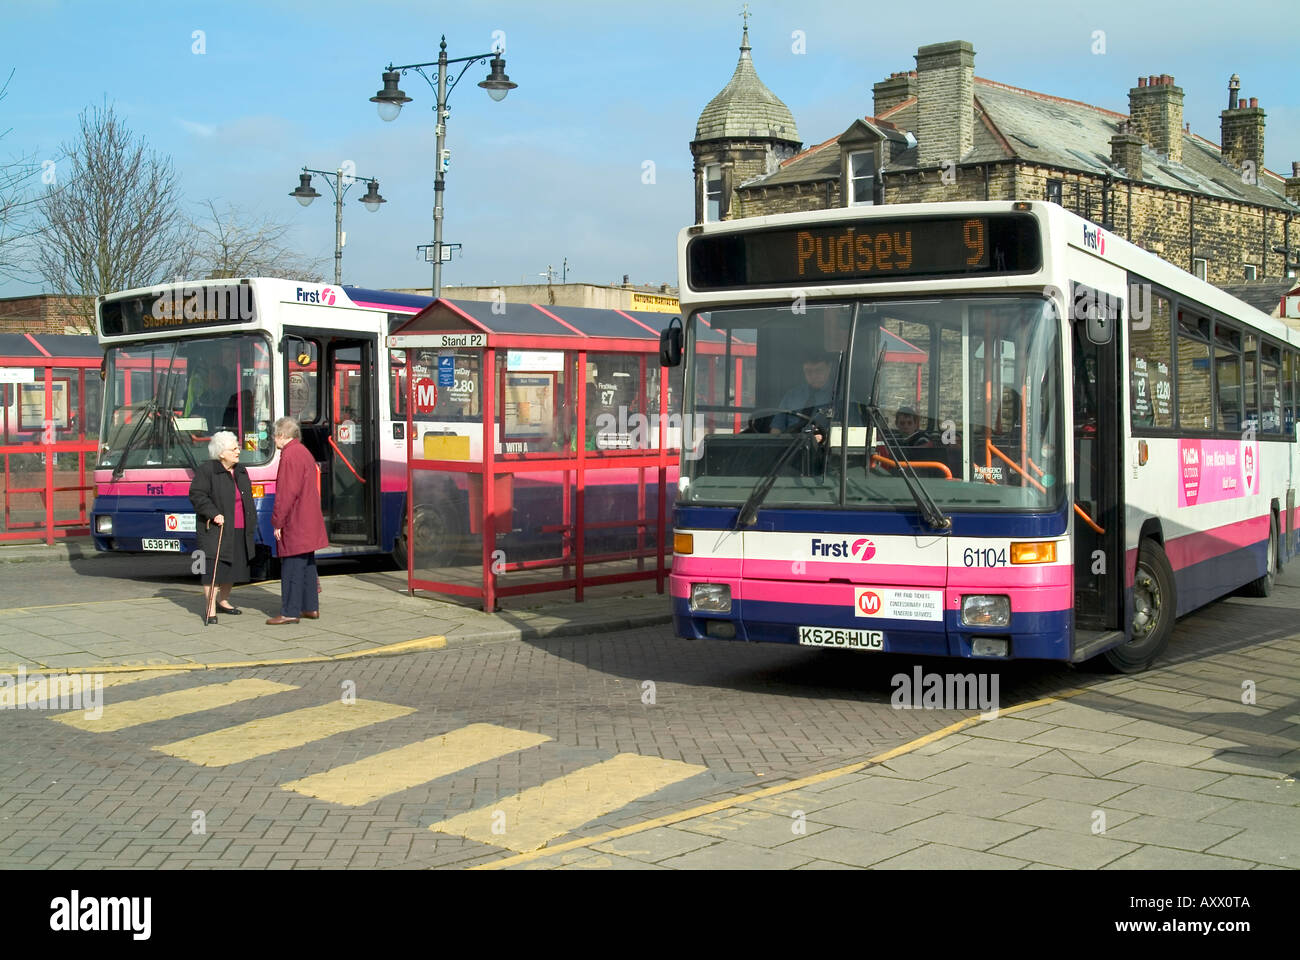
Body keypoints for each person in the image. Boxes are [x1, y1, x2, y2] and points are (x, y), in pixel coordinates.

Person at [189, 430, 257, 625]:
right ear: (221, 453)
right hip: (215, 529)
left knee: (233, 568)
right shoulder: (207, 470)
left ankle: (223, 600)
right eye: (233, 448)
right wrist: (213, 513)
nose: (238, 451)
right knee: (212, 569)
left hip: (240, 528)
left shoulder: (241, 470)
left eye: (237, 447)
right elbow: (197, 495)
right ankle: (210, 609)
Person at [268, 415, 327, 625]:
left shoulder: (289, 455)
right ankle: (310, 607)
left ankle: (290, 611)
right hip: (309, 519)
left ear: (282, 435)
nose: (274, 440)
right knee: (307, 564)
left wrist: (278, 522)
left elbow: (286, 493)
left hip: (296, 520)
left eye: (274, 436)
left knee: (292, 565)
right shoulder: (303, 452)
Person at [770, 352, 836, 440]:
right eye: (808, 371)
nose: (813, 376)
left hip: (824, 451)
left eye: (819, 371)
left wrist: (826, 438)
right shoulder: (792, 396)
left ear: (829, 368)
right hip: (789, 450)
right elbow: (776, 429)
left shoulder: (842, 399)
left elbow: (851, 433)